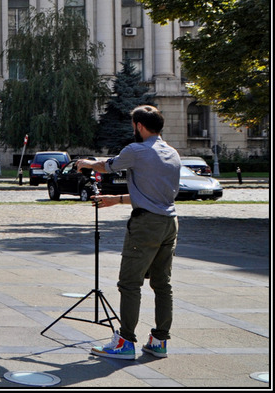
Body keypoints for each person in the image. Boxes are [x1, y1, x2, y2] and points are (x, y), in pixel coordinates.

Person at [76, 105, 180, 361]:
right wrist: (118, 200)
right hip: (169, 222)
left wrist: (84, 163)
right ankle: (159, 341)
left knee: (129, 283)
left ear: (139, 126)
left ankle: (125, 342)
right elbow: (153, 194)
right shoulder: (173, 153)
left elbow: (105, 166)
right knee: (162, 284)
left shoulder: (136, 149)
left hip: (145, 226)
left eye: (133, 125)